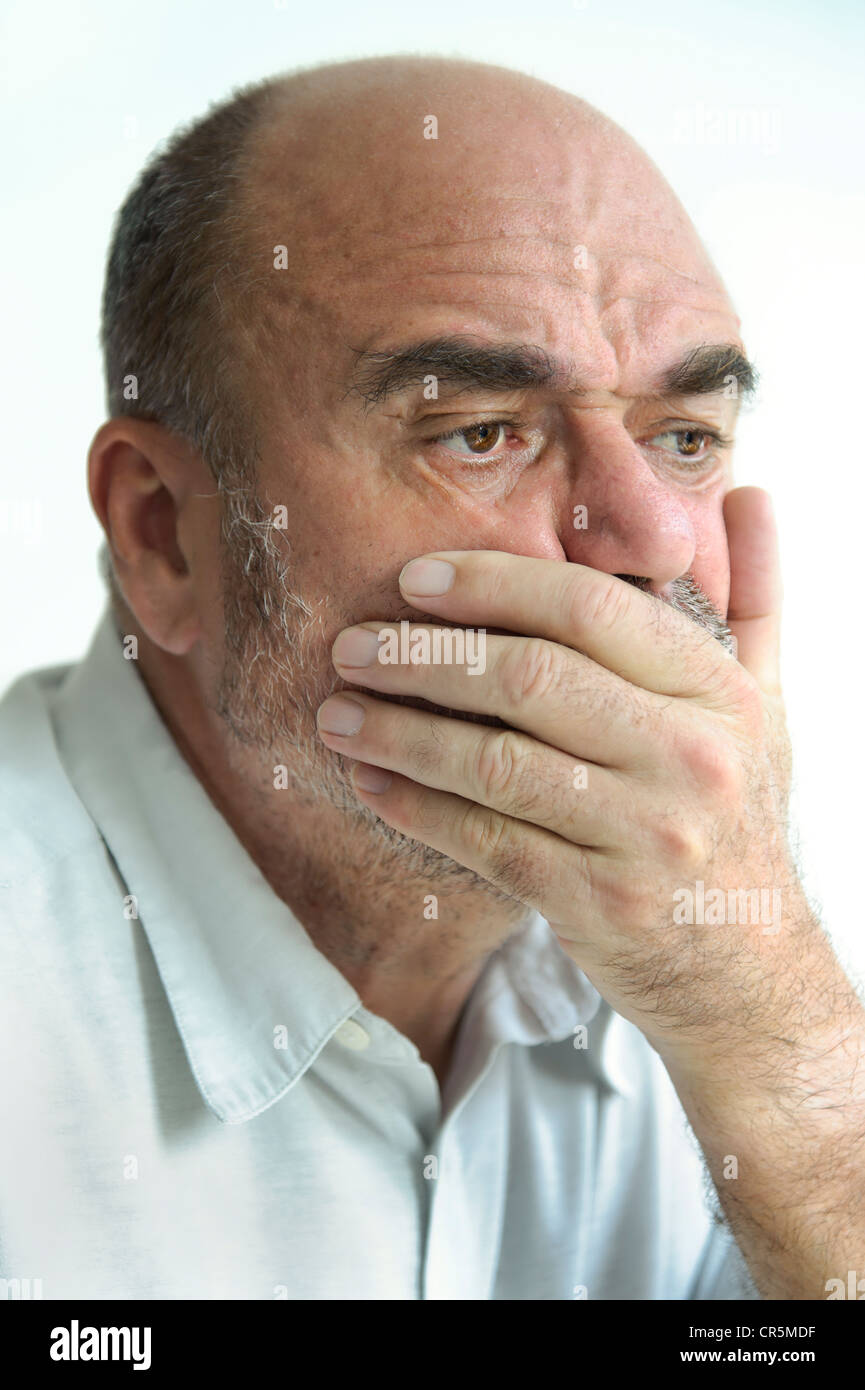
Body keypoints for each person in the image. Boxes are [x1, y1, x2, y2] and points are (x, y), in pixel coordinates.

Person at [1, 55, 862, 1301]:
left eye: (684, 439)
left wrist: (776, 1049)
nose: (654, 543)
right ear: (163, 536)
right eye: (479, 432)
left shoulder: (741, 960)